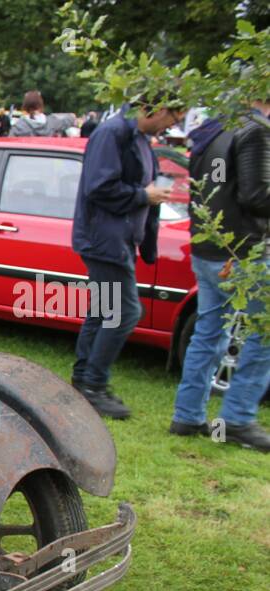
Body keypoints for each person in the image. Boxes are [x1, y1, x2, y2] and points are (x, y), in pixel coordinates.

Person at [70, 94, 184, 418]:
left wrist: (148, 238)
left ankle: (84, 380)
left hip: (118, 239)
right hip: (103, 239)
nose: (174, 124)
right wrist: (143, 195)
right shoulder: (112, 133)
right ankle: (93, 384)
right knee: (124, 312)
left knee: (104, 309)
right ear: (158, 108)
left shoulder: (142, 140)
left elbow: (144, 194)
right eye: (174, 116)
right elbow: (98, 187)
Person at [170, 101, 270, 452]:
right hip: (243, 250)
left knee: (209, 330)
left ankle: (188, 414)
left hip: (210, 246)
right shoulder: (255, 129)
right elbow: (257, 196)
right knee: (264, 330)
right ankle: (238, 418)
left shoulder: (211, 127)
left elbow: (204, 187)